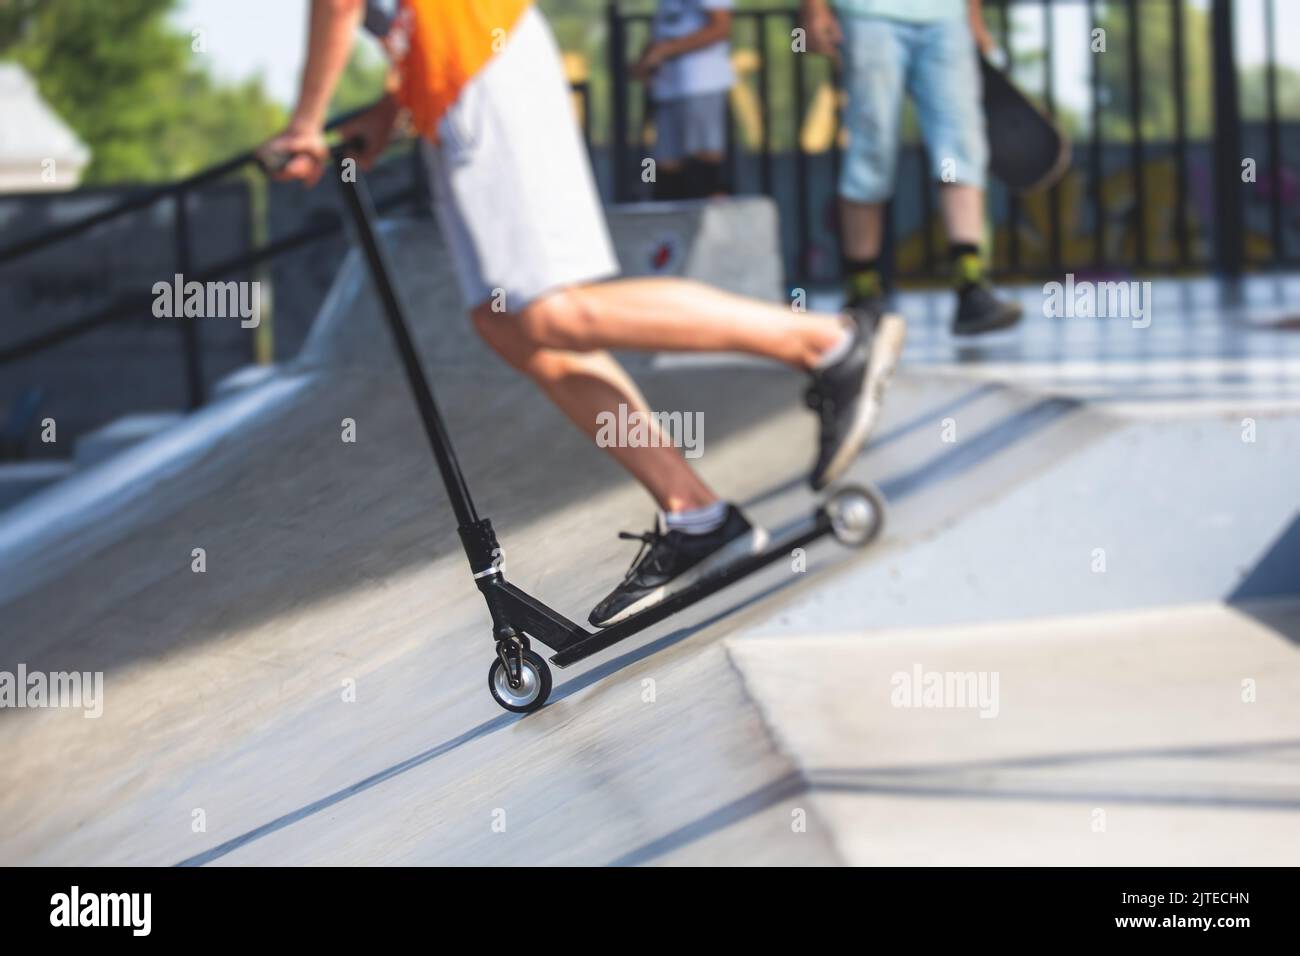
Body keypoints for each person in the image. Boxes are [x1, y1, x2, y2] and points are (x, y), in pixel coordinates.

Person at [262, 0, 905, 627]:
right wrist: (391, 108)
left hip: (484, 64)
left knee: (547, 312)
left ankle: (828, 343)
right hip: (451, 83)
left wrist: (305, 122)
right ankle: (696, 516)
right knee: (506, 324)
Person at [800, 0, 1023, 335]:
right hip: (869, 15)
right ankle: (863, 287)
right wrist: (814, 9)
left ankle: (970, 284)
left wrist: (972, 17)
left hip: (946, 17)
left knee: (958, 146)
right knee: (871, 146)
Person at [633, 0, 734, 200]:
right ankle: (668, 229)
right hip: (667, 88)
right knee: (665, 173)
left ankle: (714, 229)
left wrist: (665, 51)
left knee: (704, 172)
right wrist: (645, 60)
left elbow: (720, 28)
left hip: (701, 84)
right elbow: (667, 29)